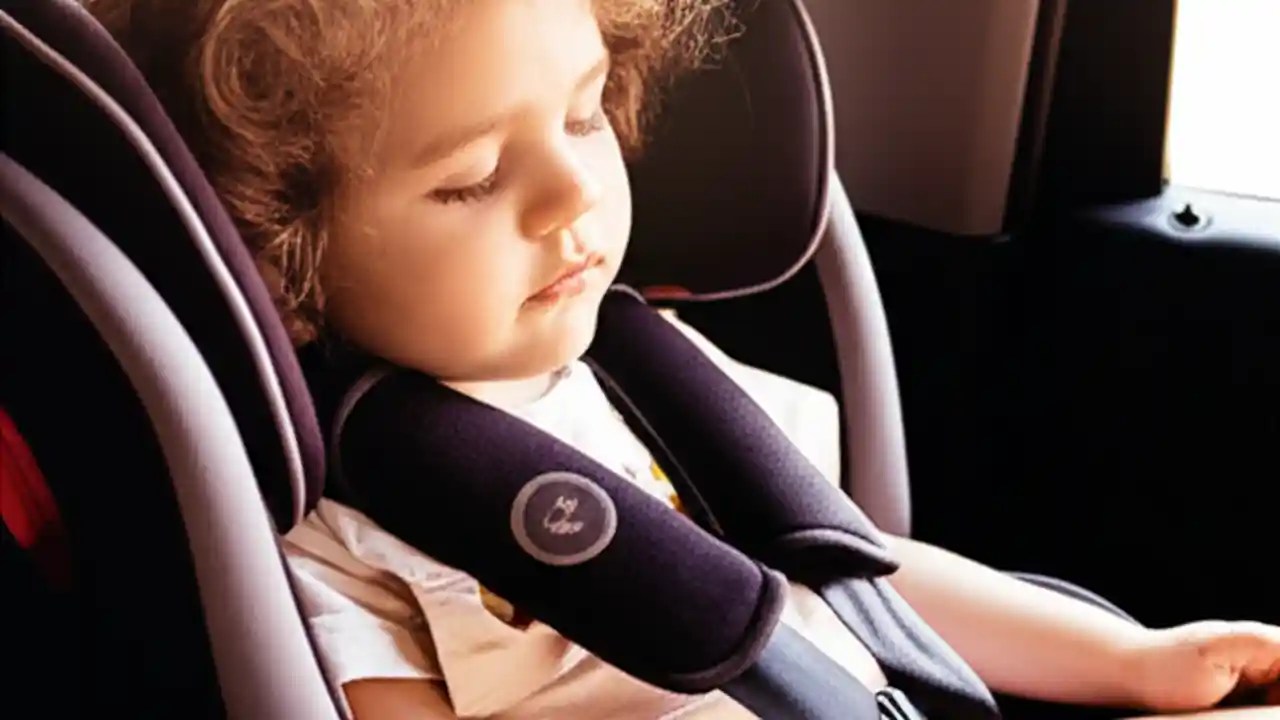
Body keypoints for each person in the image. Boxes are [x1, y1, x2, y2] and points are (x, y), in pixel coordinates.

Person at [86, 0, 1280, 717]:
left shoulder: (657, 380)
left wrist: (1134, 659)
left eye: (583, 114)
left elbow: (856, 580)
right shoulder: (331, 537)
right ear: (281, 245)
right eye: (468, 179)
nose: (572, 197)